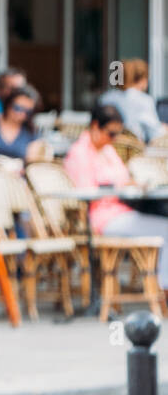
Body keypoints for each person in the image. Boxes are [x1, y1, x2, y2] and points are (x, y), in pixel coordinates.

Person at [64, 104, 168, 291]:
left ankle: (162, 286)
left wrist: (134, 185)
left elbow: (124, 178)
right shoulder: (79, 153)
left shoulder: (107, 150)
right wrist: (119, 187)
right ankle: (164, 289)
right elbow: (87, 191)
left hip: (122, 211)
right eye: (111, 133)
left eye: (117, 134)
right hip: (101, 218)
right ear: (95, 126)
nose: (114, 139)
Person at [0, 84, 45, 161]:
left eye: (27, 112)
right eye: (17, 108)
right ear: (9, 103)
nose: (21, 114)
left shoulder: (31, 131)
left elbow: (32, 161)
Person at [99, 57, 165, 144]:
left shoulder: (106, 98)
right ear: (142, 79)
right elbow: (155, 134)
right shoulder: (144, 101)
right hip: (134, 152)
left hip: (107, 148)